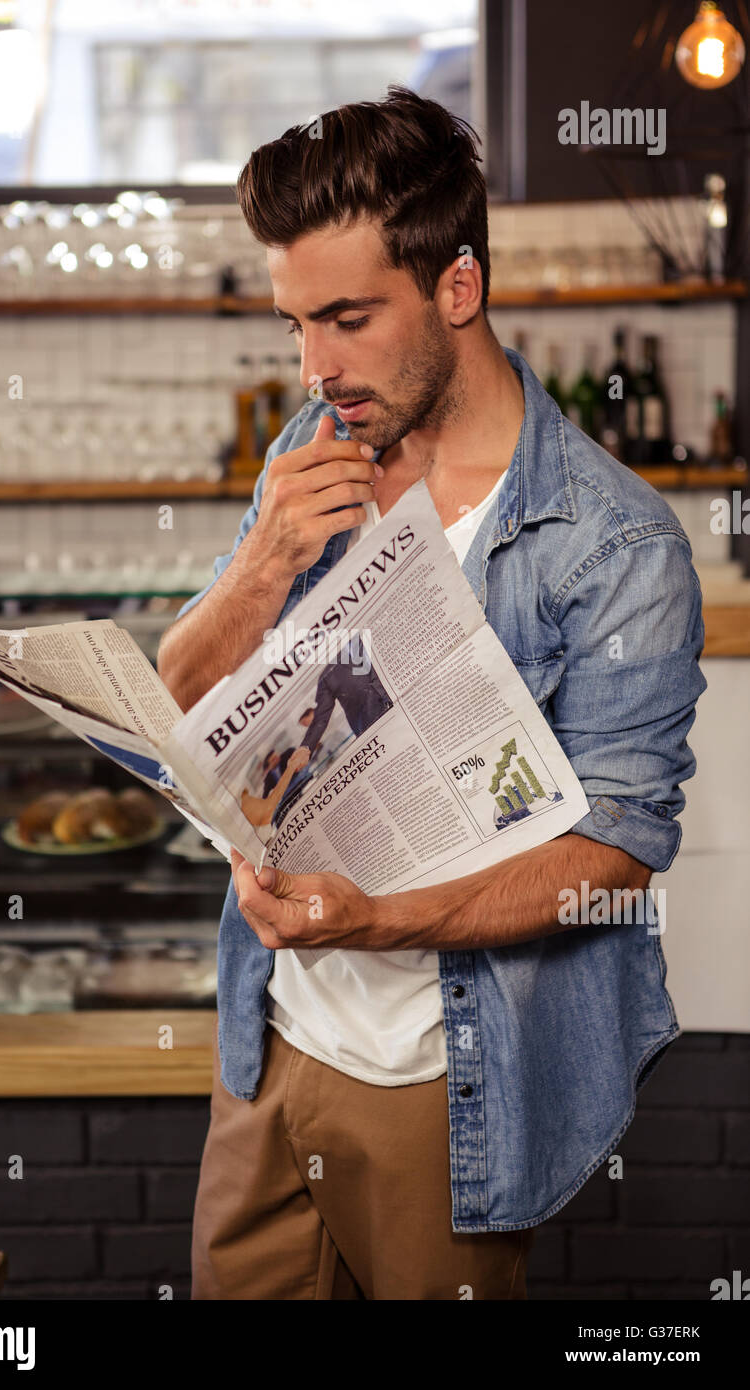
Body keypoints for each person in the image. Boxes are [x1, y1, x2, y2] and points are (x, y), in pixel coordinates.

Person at [157, 86, 706, 1301]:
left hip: (446, 1080)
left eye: (347, 318)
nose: (316, 364)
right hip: (268, 1040)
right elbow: (176, 698)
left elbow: (612, 860)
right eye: (297, 322)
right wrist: (258, 571)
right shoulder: (311, 447)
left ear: (455, 289)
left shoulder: (613, 547)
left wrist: (375, 920)